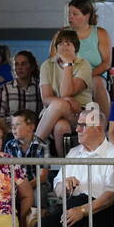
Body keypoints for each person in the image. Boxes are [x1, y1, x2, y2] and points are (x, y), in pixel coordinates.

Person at [37, 28, 94, 157]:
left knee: (60, 104)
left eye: (68, 43)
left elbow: (66, 92)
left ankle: (35, 145)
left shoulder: (84, 65)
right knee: (60, 127)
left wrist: (68, 64)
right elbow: (45, 98)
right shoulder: (47, 65)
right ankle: (65, 166)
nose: (64, 46)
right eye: (60, 43)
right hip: (52, 115)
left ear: (76, 47)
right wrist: (65, 101)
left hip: (80, 113)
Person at [63, 0, 113, 119]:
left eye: (75, 14)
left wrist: (86, 76)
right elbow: (52, 60)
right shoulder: (63, 34)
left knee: (98, 82)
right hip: (69, 76)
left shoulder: (100, 33)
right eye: (69, 14)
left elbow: (106, 63)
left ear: (87, 16)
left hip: (94, 75)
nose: (70, 17)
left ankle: (104, 123)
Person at [0, 50, 42, 119]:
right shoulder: (3, 90)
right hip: (11, 129)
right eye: (16, 64)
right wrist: (17, 122)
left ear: (32, 67)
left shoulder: (41, 88)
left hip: (35, 129)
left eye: (23, 64)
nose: (19, 68)